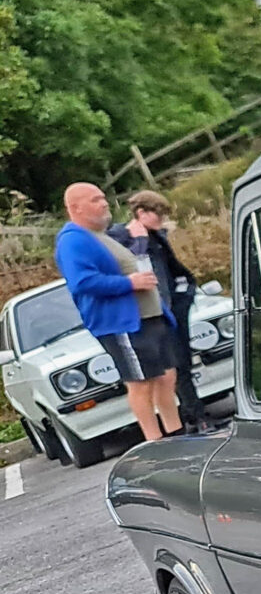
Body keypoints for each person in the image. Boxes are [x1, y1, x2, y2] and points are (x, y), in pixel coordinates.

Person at [51, 182, 182, 442]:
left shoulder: (103, 235)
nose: (104, 203)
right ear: (75, 208)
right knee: (141, 382)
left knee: (166, 376)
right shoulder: (73, 240)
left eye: (103, 198)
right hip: (123, 324)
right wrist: (129, 283)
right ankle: (155, 441)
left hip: (150, 317)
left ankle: (177, 432)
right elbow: (82, 282)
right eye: (95, 200)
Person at [112, 190, 208, 433]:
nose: (162, 220)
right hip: (151, 312)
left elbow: (170, 268)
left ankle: (193, 416)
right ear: (141, 212)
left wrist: (185, 291)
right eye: (158, 214)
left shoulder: (157, 236)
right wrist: (140, 240)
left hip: (171, 306)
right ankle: (193, 418)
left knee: (180, 363)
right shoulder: (121, 238)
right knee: (168, 370)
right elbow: (134, 266)